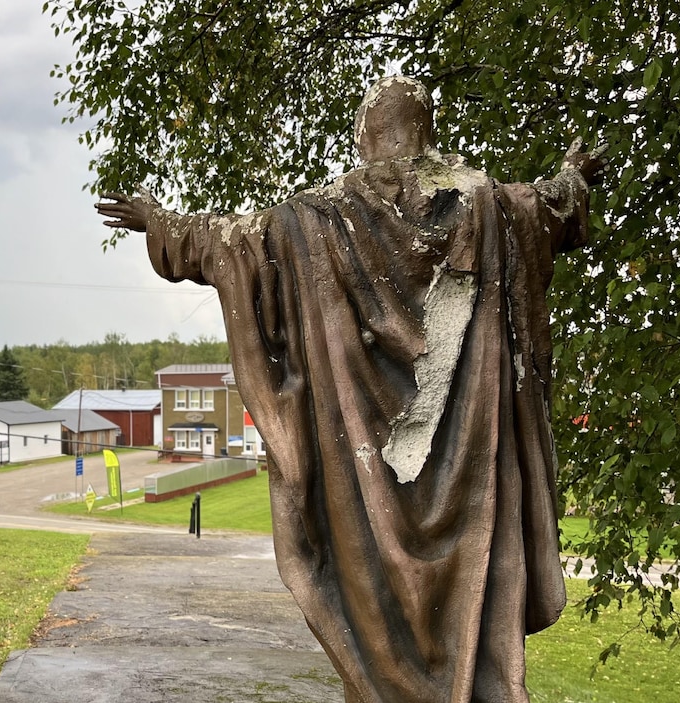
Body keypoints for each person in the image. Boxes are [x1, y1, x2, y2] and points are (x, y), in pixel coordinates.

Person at [96, 76, 604, 703]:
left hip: (362, 478)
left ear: (366, 133)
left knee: (365, 599)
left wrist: (162, 221)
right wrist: (573, 177)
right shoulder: (489, 206)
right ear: (426, 129)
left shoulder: (312, 221)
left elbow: (229, 244)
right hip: (473, 469)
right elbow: (549, 210)